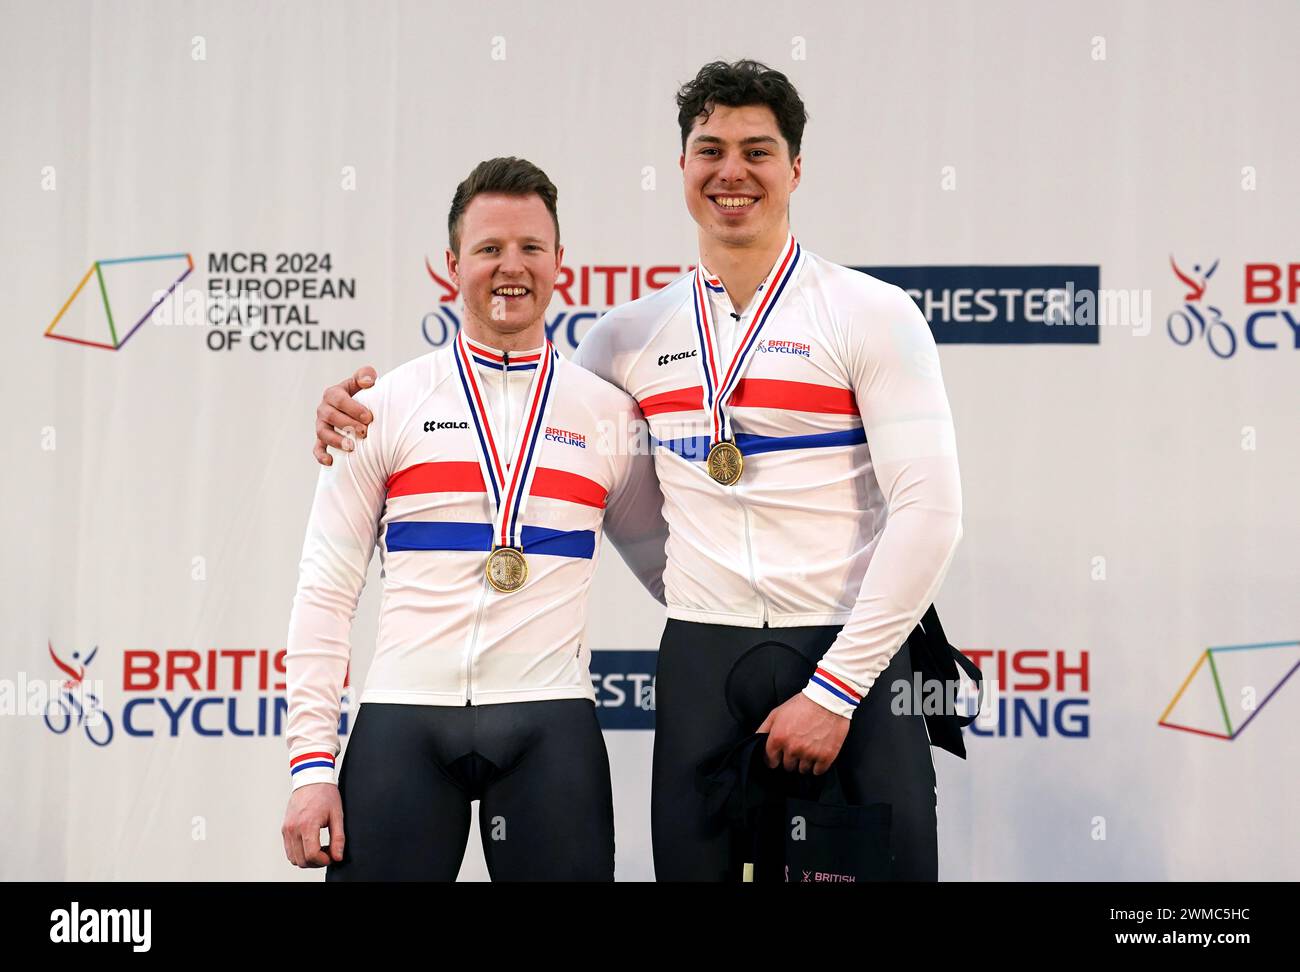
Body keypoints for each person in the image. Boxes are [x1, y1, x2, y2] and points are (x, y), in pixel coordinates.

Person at [312, 60, 963, 881]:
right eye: (710, 149)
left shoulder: (872, 313)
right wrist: (348, 417)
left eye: (757, 151)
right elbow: (564, 454)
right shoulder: (625, 341)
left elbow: (931, 514)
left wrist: (836, 688)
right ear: (683, 168)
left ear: (796, 168)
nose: (733, 172)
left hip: (849, 662)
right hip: (702, 662)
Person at [282, 157, 668, 881]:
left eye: (530, 247)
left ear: (562, 263)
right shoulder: (379, 409)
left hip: (549, 725)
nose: (510, 266)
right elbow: (325, 594)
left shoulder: (609, 416)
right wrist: (310, 767)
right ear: (453, 264)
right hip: (403, 719)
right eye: (489, 249)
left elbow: (679, 577)